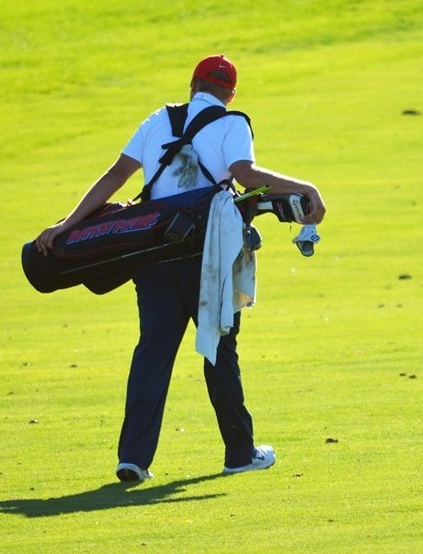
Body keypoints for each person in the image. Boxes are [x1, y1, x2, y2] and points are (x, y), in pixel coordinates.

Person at [34, 54, 326, 481]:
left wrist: (67, 224)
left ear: (192, 84)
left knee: (152, 354)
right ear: (231, 94)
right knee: (219, 354)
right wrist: (305, 187)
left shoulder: (157, 120)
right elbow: (244, 175)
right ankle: (240, 454)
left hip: (152, 256)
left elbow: (117, 175)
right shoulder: (233, 123)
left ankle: (133, 458)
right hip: (208, 258)